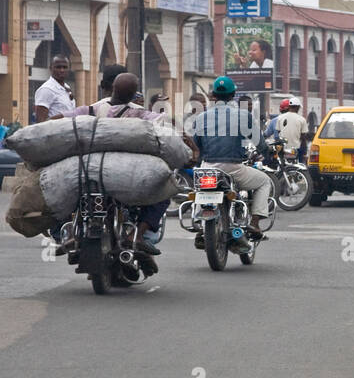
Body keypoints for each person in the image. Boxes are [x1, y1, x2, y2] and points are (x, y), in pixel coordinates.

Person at [56, 72, 170, 265]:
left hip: (91, 175)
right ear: (134, 93)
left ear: (113, 89)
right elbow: (165, 128)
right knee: (163, 193)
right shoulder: (142, 114)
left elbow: (58, 119)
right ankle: (138, 234)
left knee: (61, 193)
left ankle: (67, 234)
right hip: (128, 177)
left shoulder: (92, 109)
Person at [188, 75, 274, 240]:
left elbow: (196, 145)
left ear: (213, 95)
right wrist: (267, 152)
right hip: (233, 168)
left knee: (201, 189)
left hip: (208, 168)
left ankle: (199, 224)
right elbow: (259, 143)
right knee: (265, 181)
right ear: (233, 94)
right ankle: (255, 223)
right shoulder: (243, 116)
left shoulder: (200, 117)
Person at [34, 56, 76, 123]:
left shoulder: (67, 88)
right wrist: (64, 116)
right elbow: (40, 122)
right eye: (58, 67)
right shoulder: (46, 89)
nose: (62, 70)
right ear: (51, 68)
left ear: (69, 69)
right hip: (53, 132)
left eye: (65, 67)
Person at [276, 96, 309, 163]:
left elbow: (278, 132)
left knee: (281, 165)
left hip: (283, 148)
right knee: (299, 166)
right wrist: (304, 152)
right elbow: (303, 137)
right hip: (296, 149)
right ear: (297, 107)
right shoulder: (301, 119)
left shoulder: (280, 118)